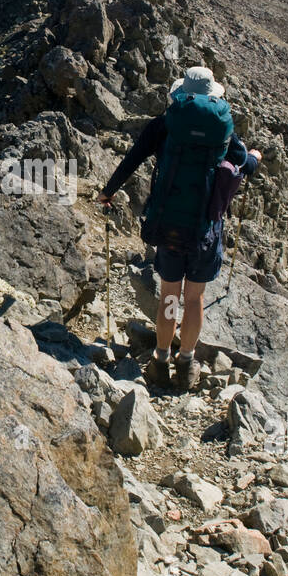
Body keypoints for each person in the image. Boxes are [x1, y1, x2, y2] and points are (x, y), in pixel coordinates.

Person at [97, 66, 260, 391]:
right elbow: (245, 165)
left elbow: (134, 157)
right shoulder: (222, 130)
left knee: (170, 295)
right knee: (195, 299)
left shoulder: (166, 124)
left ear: (183, 93)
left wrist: (109, 190)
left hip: (169, 226)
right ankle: (185, 363)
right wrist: (254, 156)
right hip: (205, 232)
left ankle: (159, 360)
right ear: (213, 96)